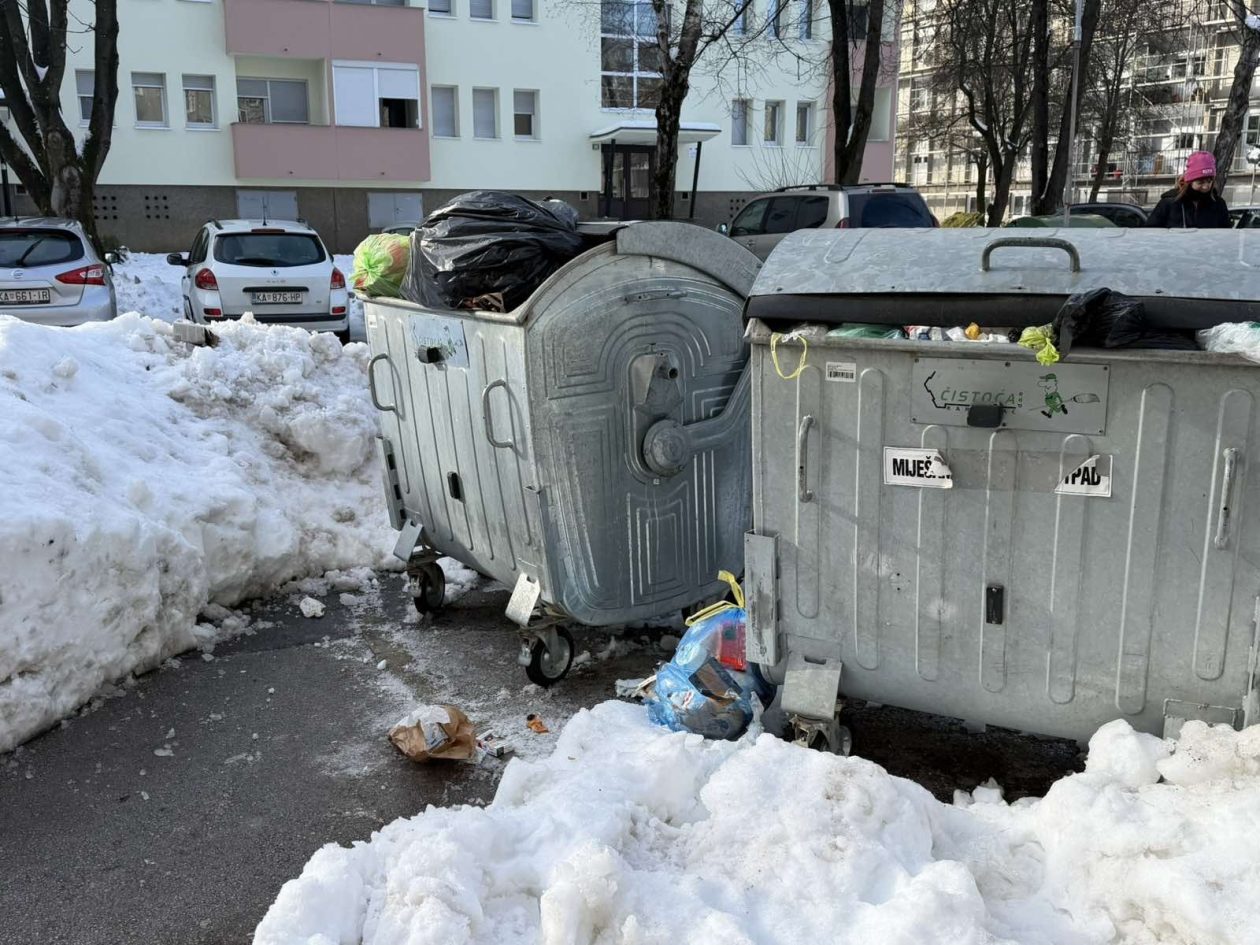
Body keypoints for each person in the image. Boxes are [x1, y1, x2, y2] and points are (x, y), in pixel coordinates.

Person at [1146, 151, 1230, 228]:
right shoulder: (1169, 203)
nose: (1206, 187)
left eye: (1209, 181)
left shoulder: (1218, 204)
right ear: (1189, 181)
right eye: (1200, 182)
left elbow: (1225, 235)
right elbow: (1150, 233)